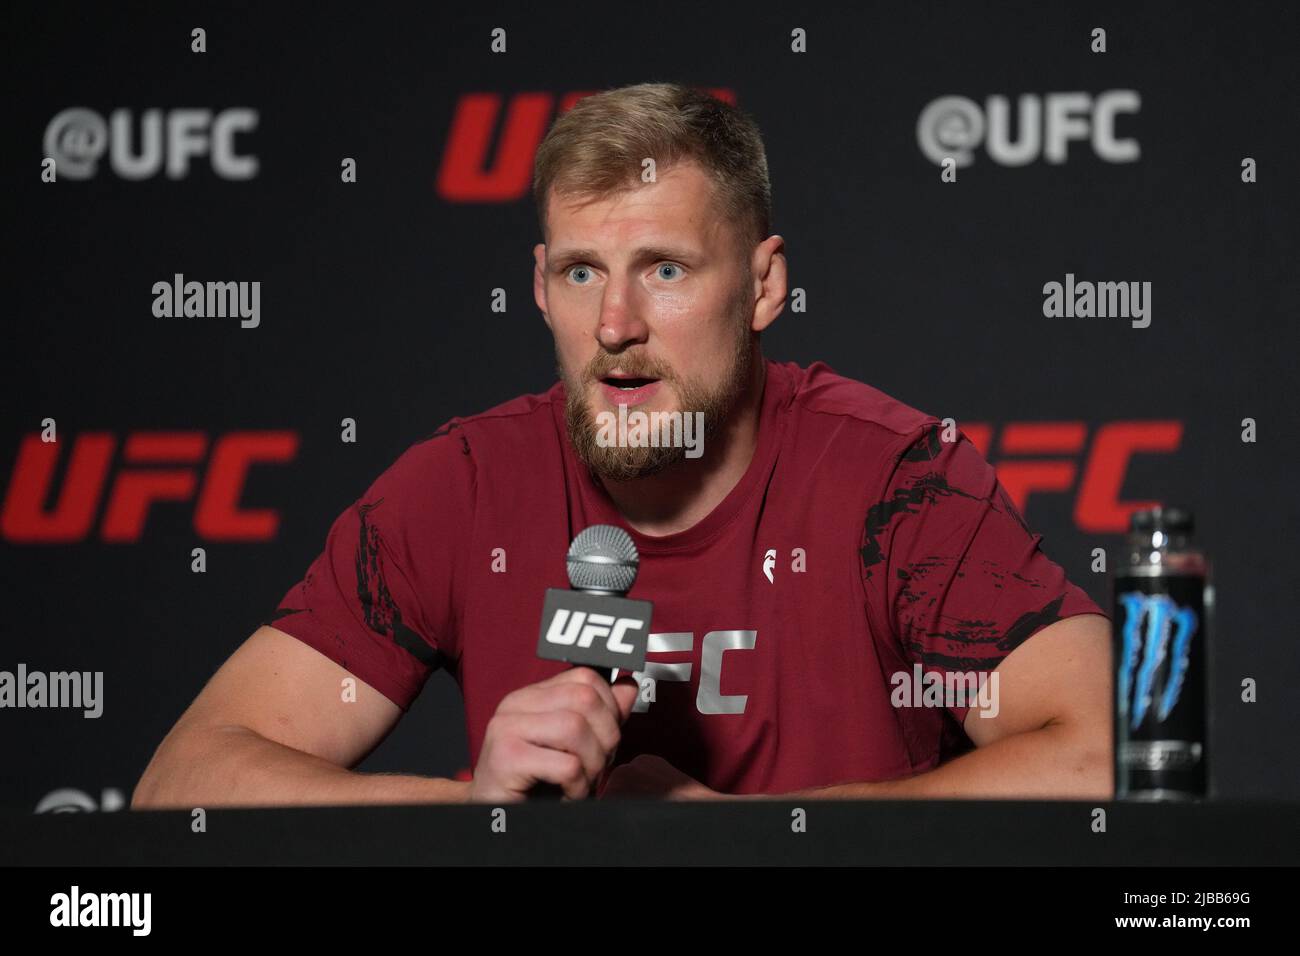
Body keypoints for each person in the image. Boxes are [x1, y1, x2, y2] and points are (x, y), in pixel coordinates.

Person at [133, 82, 1112, 808]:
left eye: (665, 268)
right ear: (537, 284)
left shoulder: (892, 479)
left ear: (764, 287)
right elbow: (185, 780)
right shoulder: (468, 484)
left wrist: (734, 838)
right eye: (580, 273)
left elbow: (1100, 757)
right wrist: (476, 812)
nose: (614, 323)